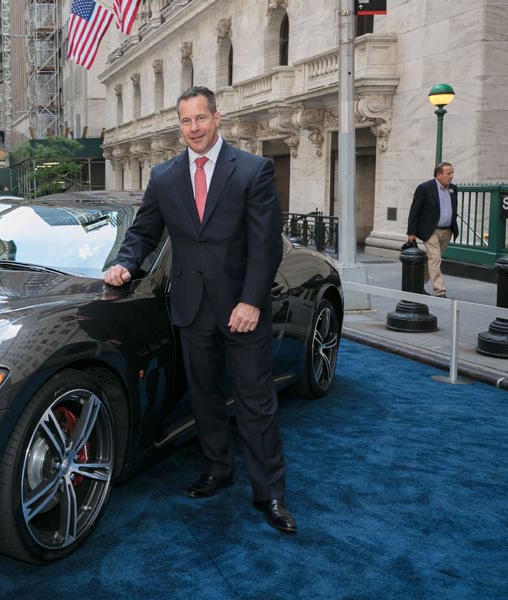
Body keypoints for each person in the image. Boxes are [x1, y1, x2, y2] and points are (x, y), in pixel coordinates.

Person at [103, 86, 295, 533]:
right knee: (204, 397)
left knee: (255, 402)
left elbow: (266, 244)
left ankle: (269, 494)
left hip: (242, 308)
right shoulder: (164, 176)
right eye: (186, 121)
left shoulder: (253, 170)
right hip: (191, 308)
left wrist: (251, 300)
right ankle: (217, 469)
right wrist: (125, 263)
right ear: (180, 125)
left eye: (201, 118)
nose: (194, 128)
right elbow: (143, 231)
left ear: (217, 118)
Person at [407, 162, 459, 298]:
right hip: (430, 230)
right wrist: (411, 232)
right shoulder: (425, 188)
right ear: (439, 175)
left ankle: (419, 283)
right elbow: (415, 210)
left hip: (447, 231)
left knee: (433, 259)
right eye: (448, 173)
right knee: (435, 259)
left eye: (452, 173)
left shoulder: (453, 189)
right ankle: (439, 291)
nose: (452, 176)